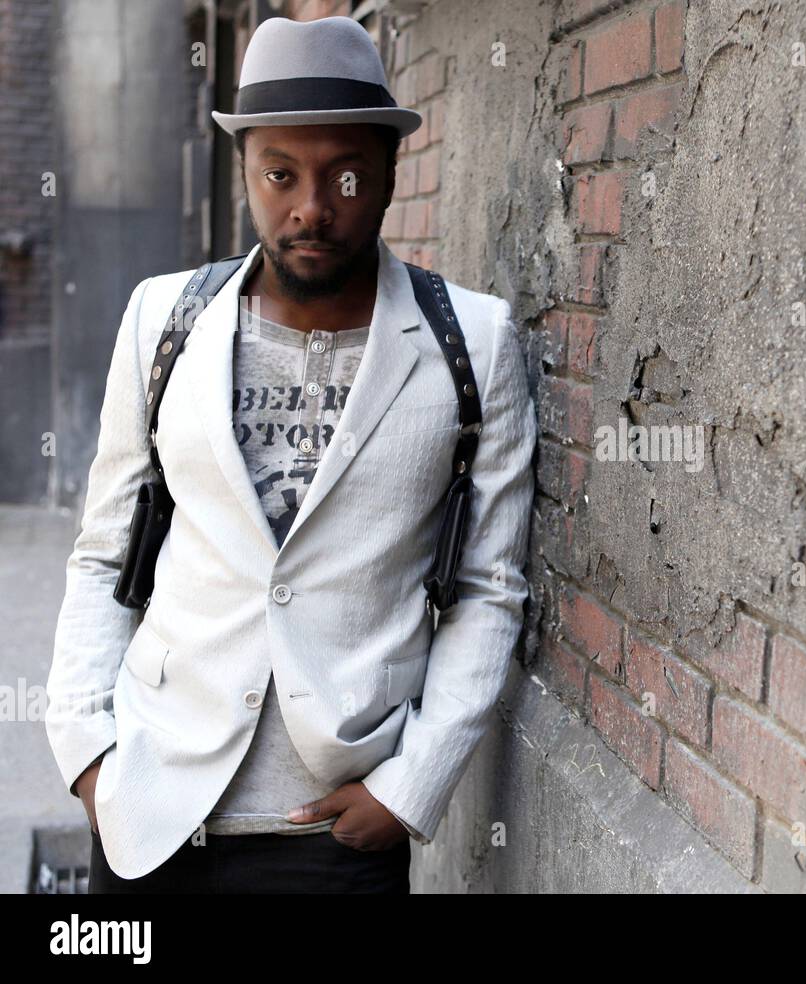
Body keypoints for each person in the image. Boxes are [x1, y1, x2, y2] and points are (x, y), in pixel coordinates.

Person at [44, 16, 536, 893]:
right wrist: (87, 750)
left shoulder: (475, 342)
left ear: (388, 171)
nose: (312, 205)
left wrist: (412, 786)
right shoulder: (162, 321)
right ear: (247, 173)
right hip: (152, 807)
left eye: (344, 173)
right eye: (281, 174)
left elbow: (488, 591)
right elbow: (103, 553)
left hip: (337, 830)